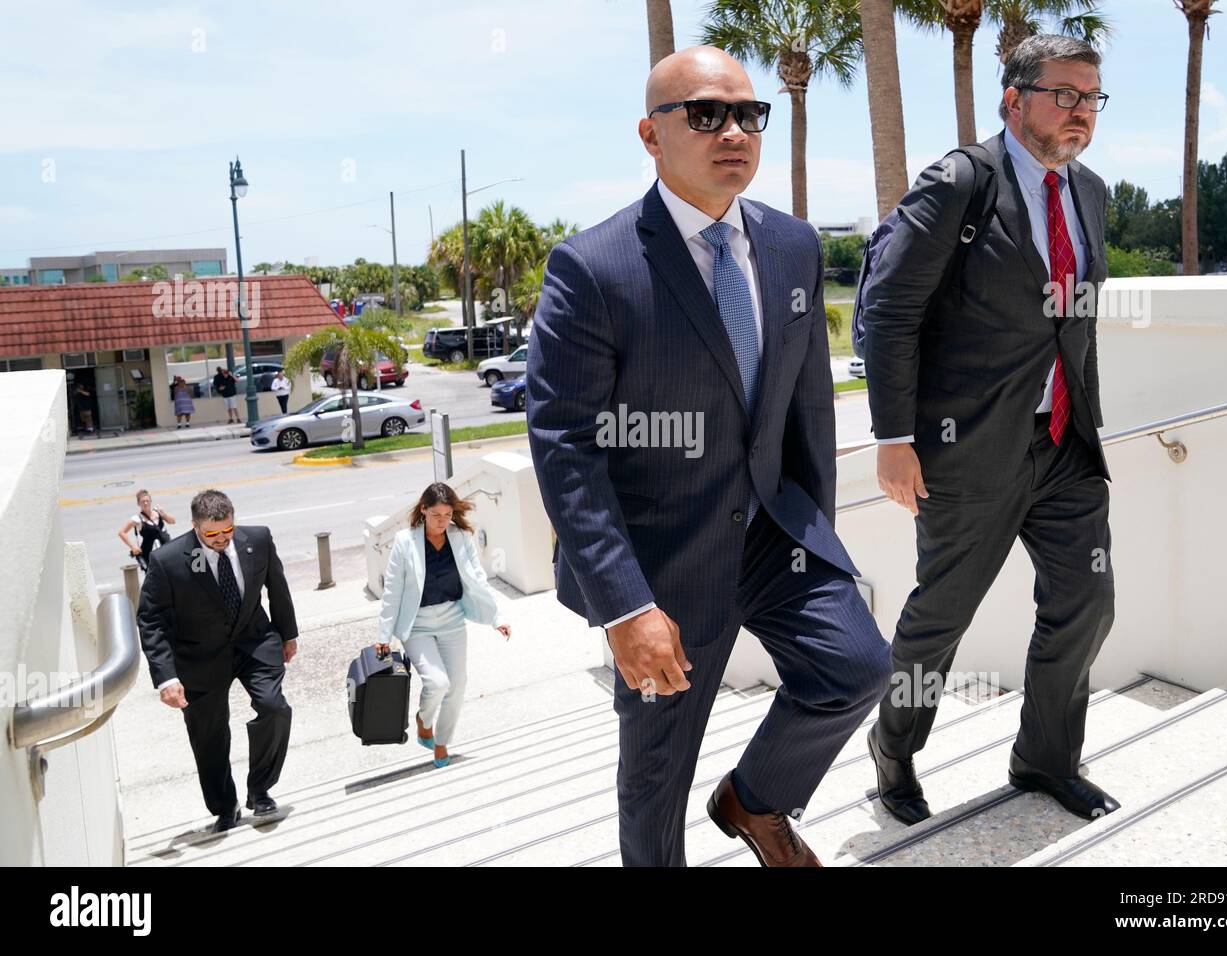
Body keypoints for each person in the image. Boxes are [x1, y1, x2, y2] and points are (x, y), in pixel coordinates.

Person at [526, 45, 891, 867]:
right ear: (651, 135)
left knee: (858, 668)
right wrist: (625, 606)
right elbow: (564, 444)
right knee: (655, 777)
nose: (734, 130)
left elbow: (805, 407)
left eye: (748, 114)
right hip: (661, 565)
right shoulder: (593, 266)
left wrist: (816, 536)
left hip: (772, 536)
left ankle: (753, 800)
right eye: (705, 114)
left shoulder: (794, 246)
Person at [857, 35, 1118, 824]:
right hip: (967, 449)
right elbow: (890, 311)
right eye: (1063, 94)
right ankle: (894, 749)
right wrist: (893, 437)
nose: (1079, 112)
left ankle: (1045, 761)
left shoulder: (1093, 192)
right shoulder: (959, 183)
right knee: (941, 618)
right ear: (1013, 98)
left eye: (1091, 98)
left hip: (1064, 442)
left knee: (1088, 600)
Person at [136, 489, 298, 833]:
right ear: (195, 527)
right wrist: (165, 677)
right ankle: (225, 806)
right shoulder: (168, 561)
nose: (222, 539)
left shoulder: (258, 539)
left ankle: (261, 789)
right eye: (212, 534)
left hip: (254, 641)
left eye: (227, 530)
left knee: (275, 707)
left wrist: (288, 634)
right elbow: (151, 620)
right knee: (208, 735)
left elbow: (277, 587)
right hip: (198, 655)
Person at [376, 482, 510, 768]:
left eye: (448, 515)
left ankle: (441, 741)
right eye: (436, 515)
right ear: (423, 510)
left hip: (451, 619)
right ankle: (423, 720)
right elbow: (392, 592)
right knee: (438, 683)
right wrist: (384, 634)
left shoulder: (460, 537)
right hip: (418, 624)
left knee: (457, 684)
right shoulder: (404, 541)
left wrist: (497, 618)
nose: (442, 522)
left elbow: (477, 579)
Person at [118, 489, 176, 571]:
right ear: (138, 504)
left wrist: (164, 514)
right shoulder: (137, 519)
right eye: (142, 502)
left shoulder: (158, 512)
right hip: (150, 554)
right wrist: (133, 547)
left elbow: (173, 521)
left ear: (150, 501)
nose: (145, 503)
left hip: (165, 550)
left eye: (147, 501)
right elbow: (122, 533)